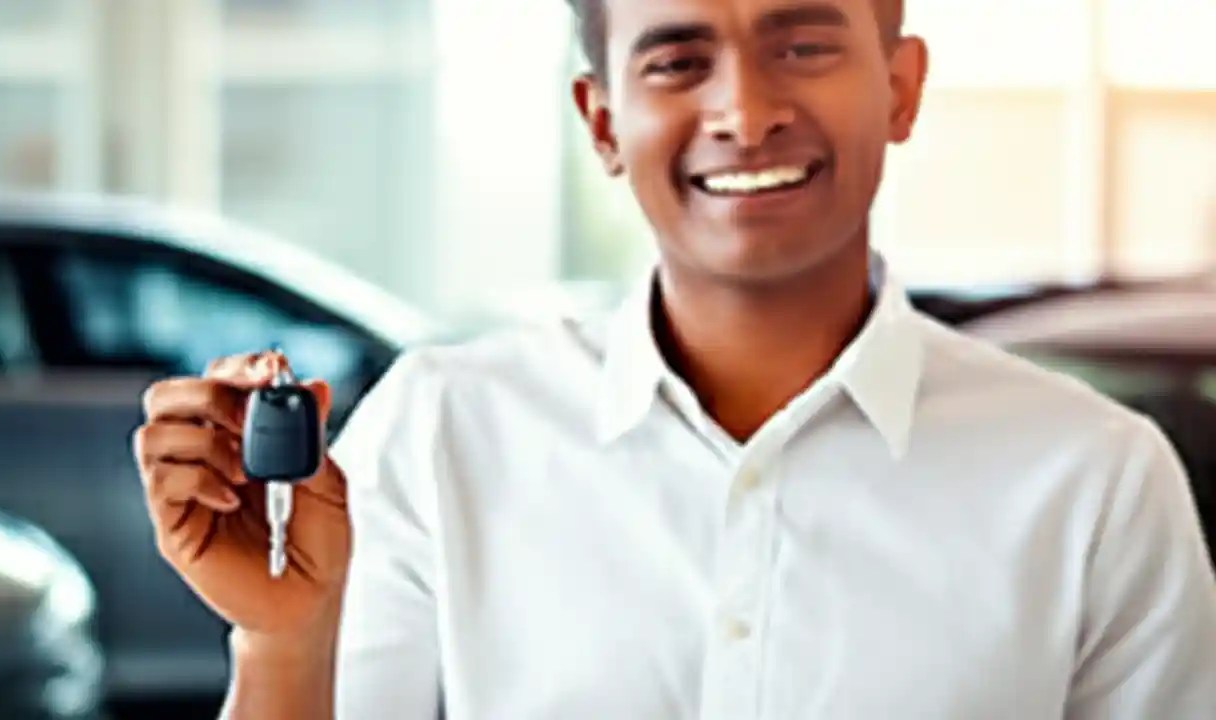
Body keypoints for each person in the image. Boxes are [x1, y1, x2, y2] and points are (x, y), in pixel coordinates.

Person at [133, 0, 1216, 717]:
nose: (743, 111)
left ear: (898, 86)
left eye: (801, 45)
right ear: (601, 121)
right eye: (677, 60)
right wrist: (282, 649)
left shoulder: (1093, 480)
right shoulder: (438, 432)